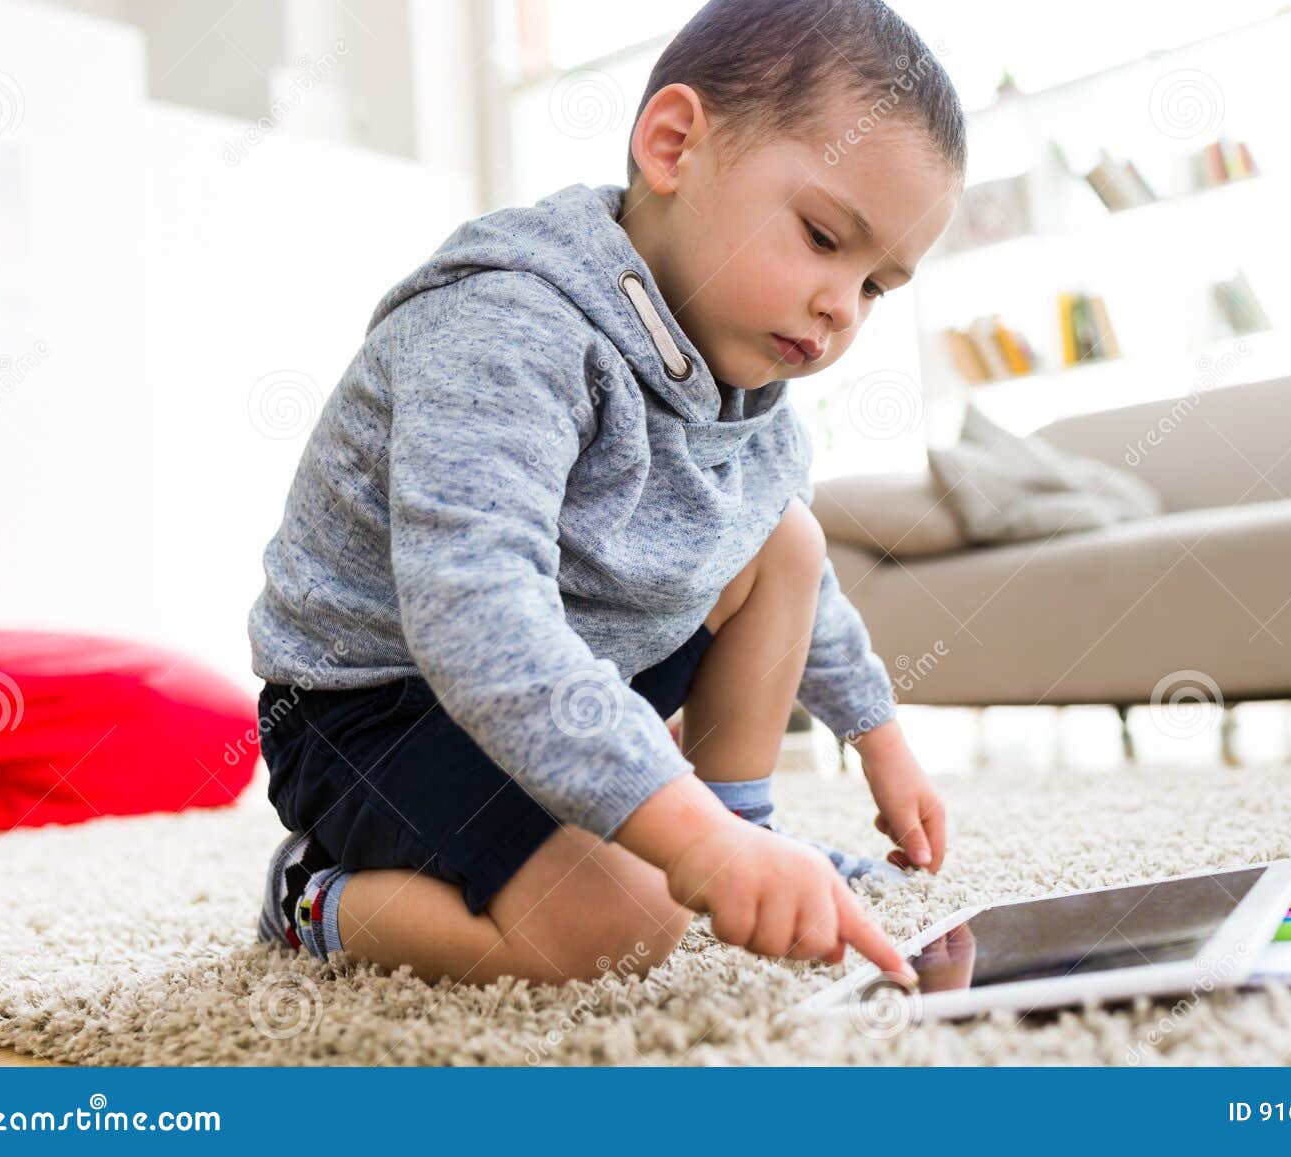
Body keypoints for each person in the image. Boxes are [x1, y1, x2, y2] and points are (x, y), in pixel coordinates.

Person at [248, 0, 965, 988]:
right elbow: (475, 609)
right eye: (820, 236)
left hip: (572, 667)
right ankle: (312, 897)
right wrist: (688, 848)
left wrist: (876, 736)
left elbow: (798, 579)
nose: (842, 306)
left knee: (785, 536)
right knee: (622, 919)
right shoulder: (506, 321)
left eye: (878, 284)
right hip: (377, 703)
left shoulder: (755, 384)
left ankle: (747, 824)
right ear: (673, 144)